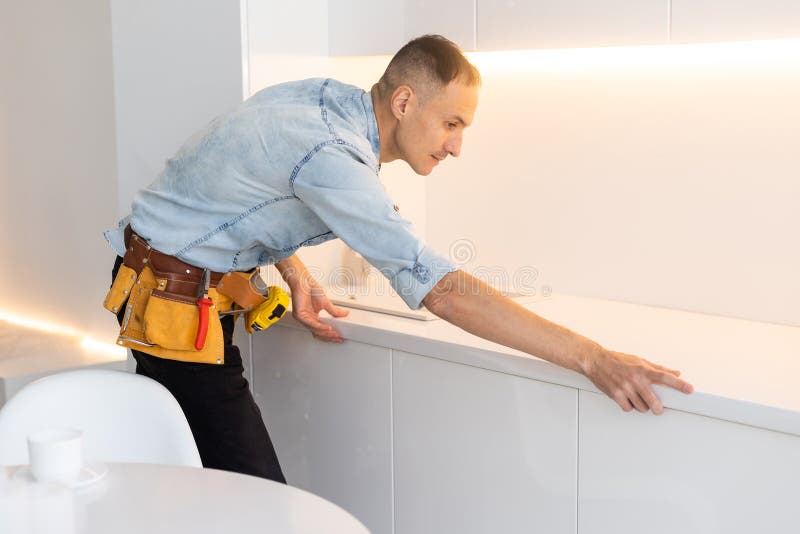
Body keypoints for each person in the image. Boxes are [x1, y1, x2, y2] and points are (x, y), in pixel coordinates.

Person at [103, 35, 693, 482]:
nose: (458, 145)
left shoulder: (325, 98)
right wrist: (593, 359)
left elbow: (247, 179)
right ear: (406, 101)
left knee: (203, 477)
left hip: (168, 281)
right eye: (452, 123)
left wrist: (293, 268)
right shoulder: (336, 154)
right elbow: (440, 289)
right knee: (257, 497)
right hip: (172, 303)